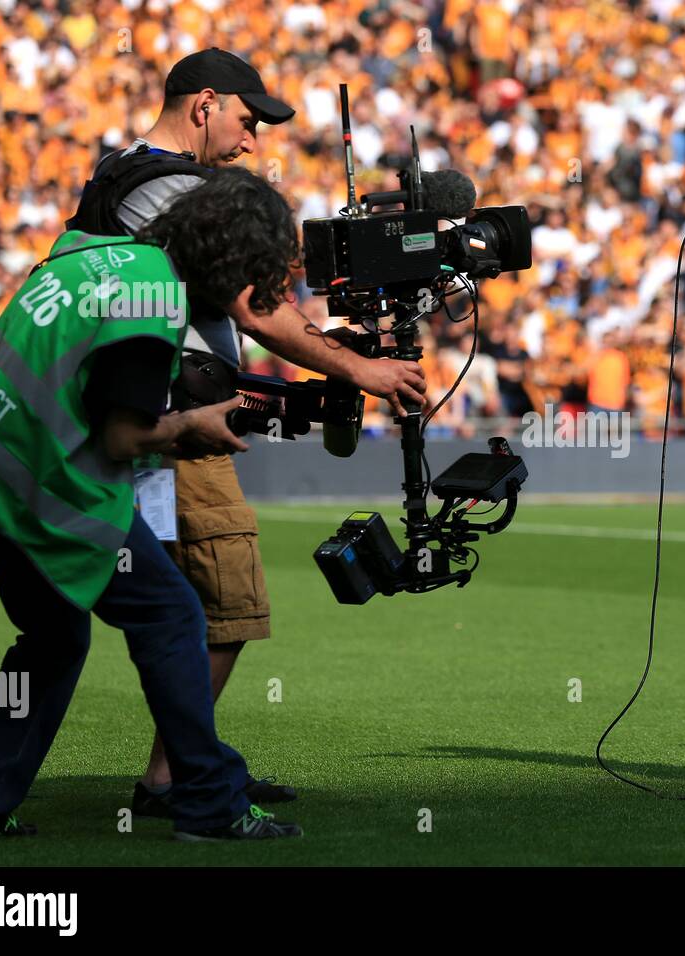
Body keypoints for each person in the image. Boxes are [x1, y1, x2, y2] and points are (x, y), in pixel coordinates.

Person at [64, 48, 427, 819]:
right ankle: (180, 780)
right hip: (163, 426)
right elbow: (255, 307)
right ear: (204, 104)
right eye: (247, 118)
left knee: (185, 609)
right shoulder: (161, 184)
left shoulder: (123, 170)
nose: (253, 139)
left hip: (158, 418)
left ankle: (179, 772)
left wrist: (329, 347)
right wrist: (364, 373)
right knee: (226, 602)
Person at [0, 168, 303, 840]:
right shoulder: (152, 295)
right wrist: (191, 427)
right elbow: (124, 434)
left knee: (54, 637)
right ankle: (208, 805)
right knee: (170, 614)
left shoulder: (91, 251)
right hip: (36, 487)